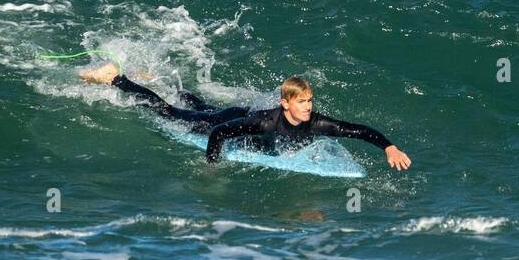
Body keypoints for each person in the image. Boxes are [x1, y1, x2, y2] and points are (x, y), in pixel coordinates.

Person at [78, 64, 411, 170]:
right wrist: (213, 165)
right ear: (286, 104)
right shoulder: (266, 122)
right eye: (302, 103)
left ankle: (171, 82)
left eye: (310, 101)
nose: (308, 108)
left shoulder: (318, 122)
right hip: (233, 121)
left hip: (234, 116)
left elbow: (356, 130)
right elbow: (220, 133)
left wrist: (388, 147)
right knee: (170, 114)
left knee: (201, 105)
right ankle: (116, 79)